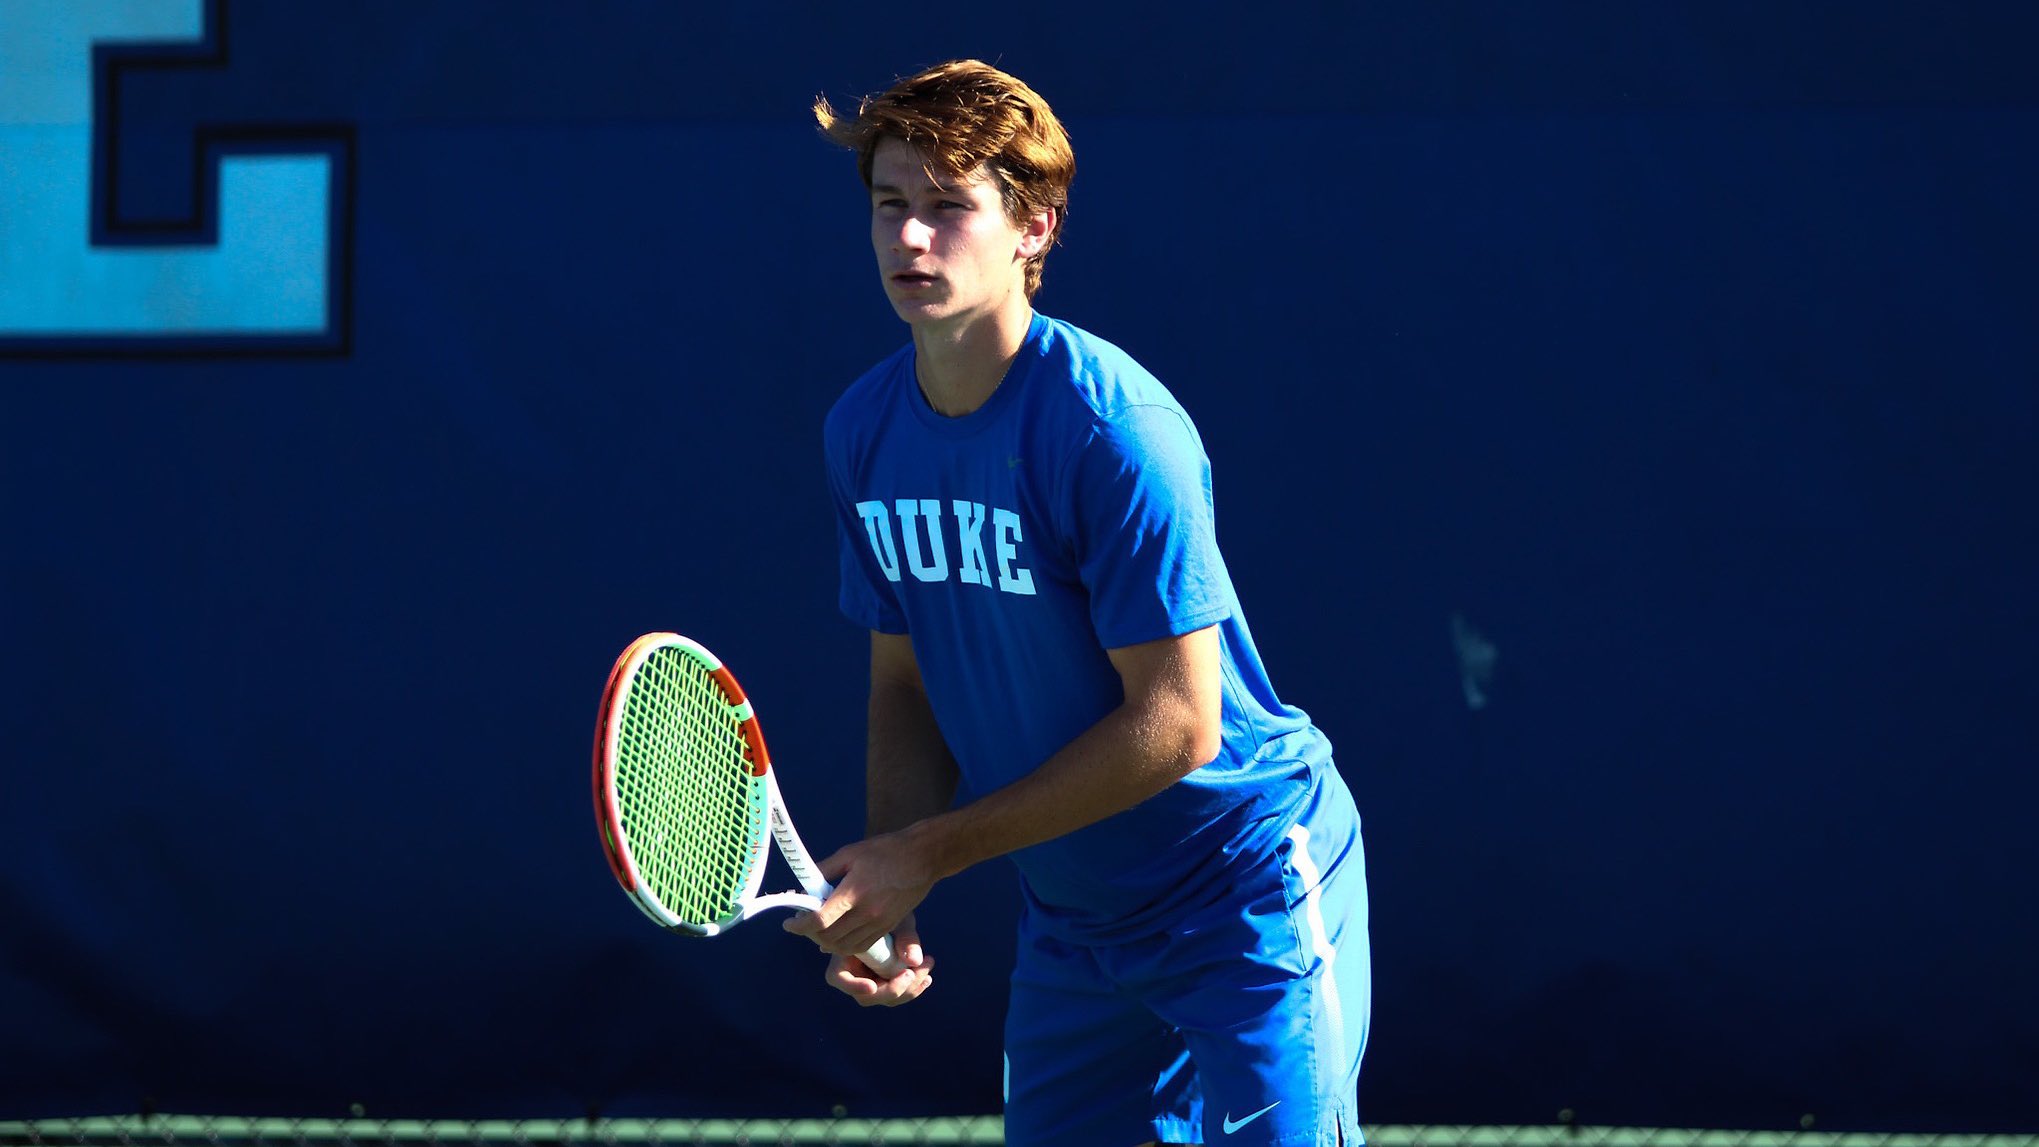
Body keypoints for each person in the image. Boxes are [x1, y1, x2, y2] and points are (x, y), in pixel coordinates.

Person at [785, 59, 1371, 1147]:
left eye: (949, 208)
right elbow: (905, 678)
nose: (911, 241)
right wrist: (890, 878)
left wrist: (933, 852)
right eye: (889, 207)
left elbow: (1178, 723)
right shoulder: (860, 433)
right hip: (1073, 922)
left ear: (1033, 228)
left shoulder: (1112, 429)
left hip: (1241, 893)